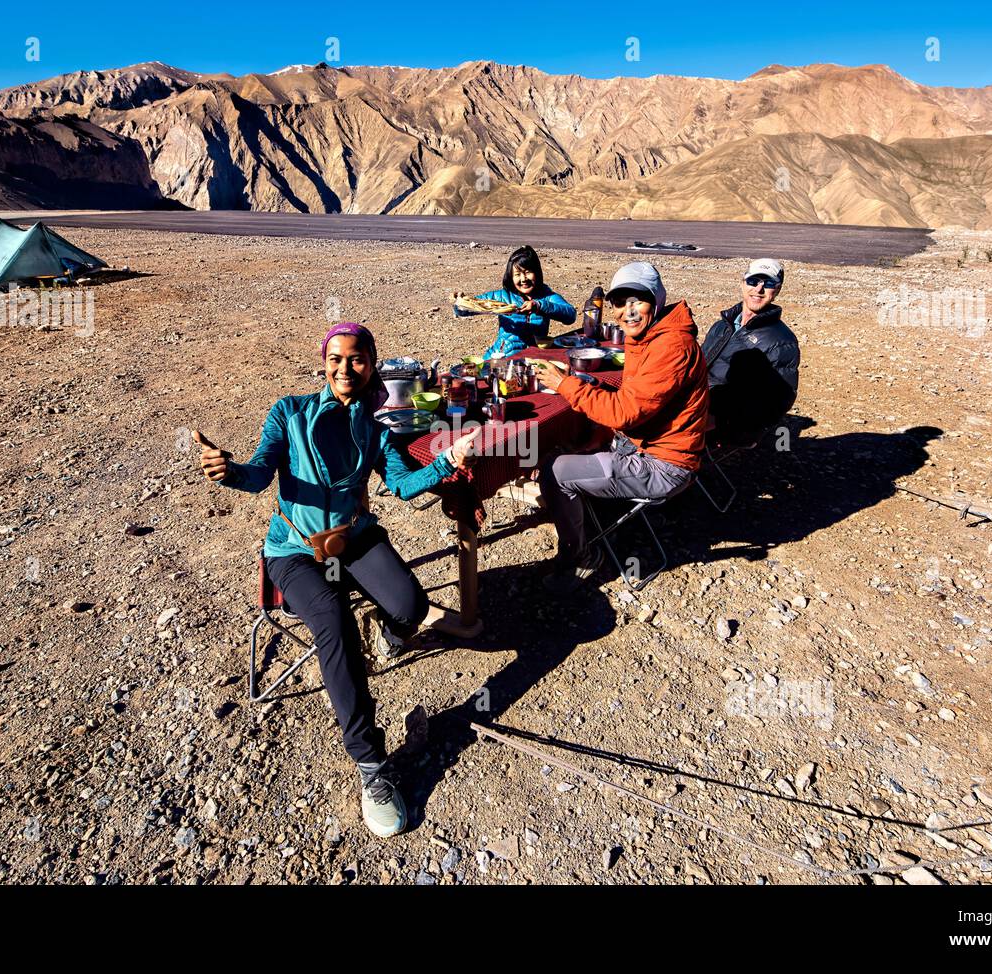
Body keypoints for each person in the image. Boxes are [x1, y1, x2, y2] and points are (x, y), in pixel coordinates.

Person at [193, 322, 481, 839]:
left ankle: (387, 638)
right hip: (296, 551)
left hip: (353, 539)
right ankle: (372, 769)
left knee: (411, 607)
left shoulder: (376, 427)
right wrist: (230, 470)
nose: (345, 368)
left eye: (357, 359)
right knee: (334, 623)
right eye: (337, 359)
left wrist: (446, 462)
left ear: (372, 365)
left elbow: (400, 485)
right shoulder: (289, 412)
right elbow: (260, 474)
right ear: (323, 363)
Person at [531, 262, 709, 593]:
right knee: (572, 440)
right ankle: (591, 515)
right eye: (619, 302)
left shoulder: (672, 346)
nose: (626, 312)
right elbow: (635, 402)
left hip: (664, 465)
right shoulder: (651, 337)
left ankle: (582, 557)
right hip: (644, 446)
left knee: (555, 471)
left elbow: (625, 413)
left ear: (655, 301)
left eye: (636, 301)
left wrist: (565, 384)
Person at [700, 258, 800, 450]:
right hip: (698, 402)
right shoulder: (723, 325)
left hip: (727, 422)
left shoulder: (781, 342)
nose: (759, 289)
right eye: (753, 281)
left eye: (768, 283)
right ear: (743, 283)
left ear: (777, 290)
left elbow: (776, 403)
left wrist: (719, 420)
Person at [452, 245, 577, 359]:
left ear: (537, 273)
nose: (523, 279)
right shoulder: (501, 296)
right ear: (510, 277)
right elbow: (468, 309)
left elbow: (570, 315)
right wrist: (460, 302)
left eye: (528, 272)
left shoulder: (546, 296)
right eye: (517, 274)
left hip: (534, 357)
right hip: (504, 355)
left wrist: (539, 306)